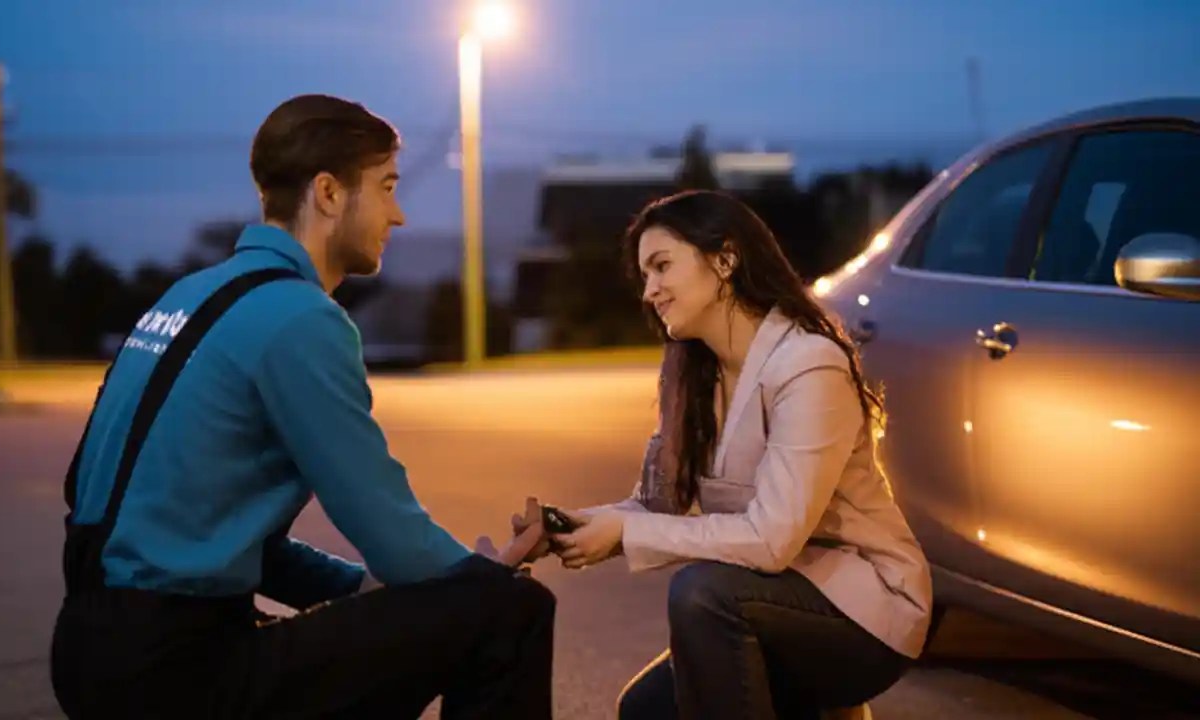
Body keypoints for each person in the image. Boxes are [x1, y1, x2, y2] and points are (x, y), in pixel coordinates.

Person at [49, 94, 555, 720]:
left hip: (90, 650)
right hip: (179, 671)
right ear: (329, 193)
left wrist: (360, 589)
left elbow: (226, 542)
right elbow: (395, 539)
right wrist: (478, 575)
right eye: (388, 186)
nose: (397, 214)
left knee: (430, 609)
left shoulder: (190, 297)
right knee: (511, 612)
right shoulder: (302, 319)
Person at [545, 190, 934, 719]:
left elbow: (771, 540)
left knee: (703, 595)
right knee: (646, 710)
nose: (649, 291)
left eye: (662, 267)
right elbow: (659, 507)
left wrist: (625, 533)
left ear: (725, 259)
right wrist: (583, 524)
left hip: (866, 608)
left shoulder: (808, 364)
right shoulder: (691, 370)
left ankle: (828, 702)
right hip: (775, 594)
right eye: (644, 276)